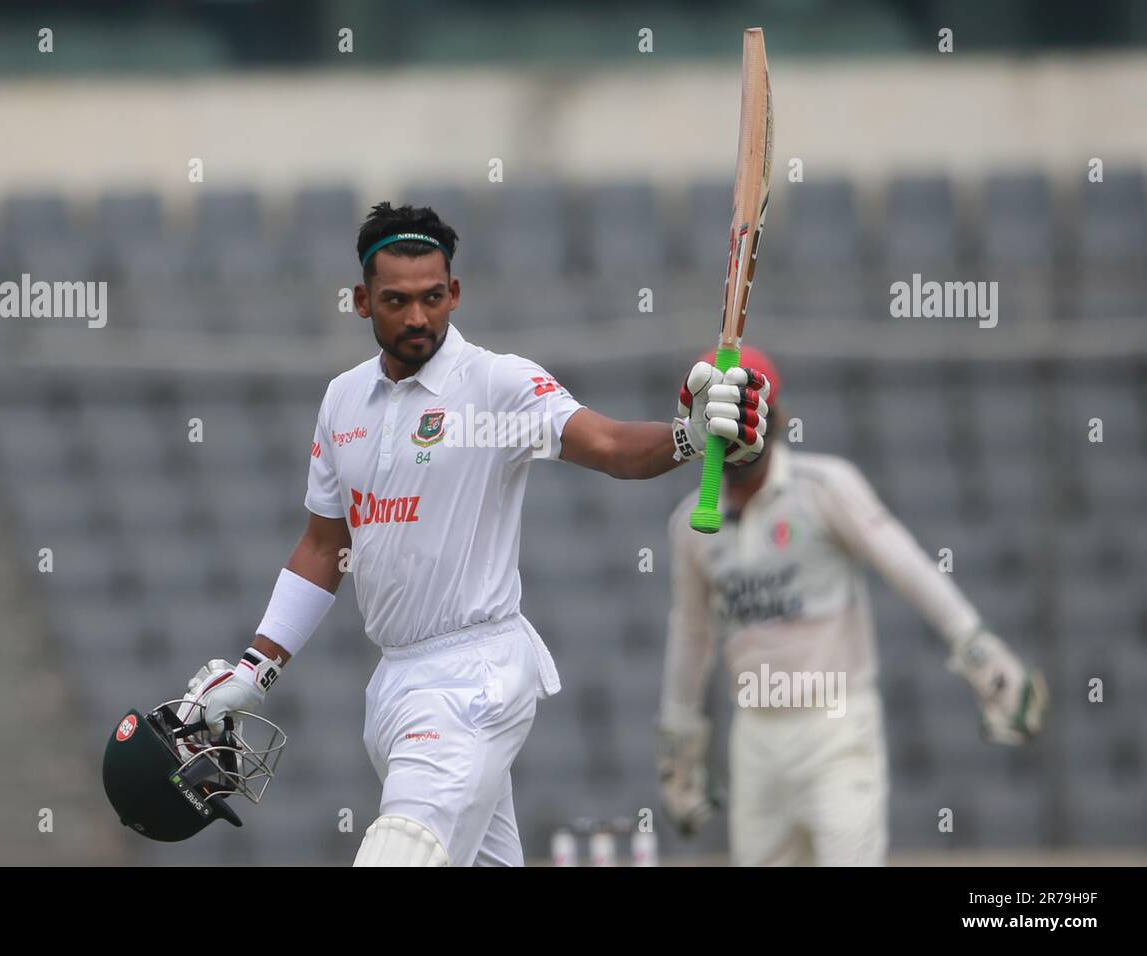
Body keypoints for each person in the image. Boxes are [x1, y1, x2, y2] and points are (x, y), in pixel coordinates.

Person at [180, 202, 775, 866]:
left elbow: (608, 445)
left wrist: (686, 435)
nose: (417, 317)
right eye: (396, 300)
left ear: (455, 293)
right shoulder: (341, 401)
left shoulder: (497, 384)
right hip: (396, 683)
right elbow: (324, 546)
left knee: (399, 854)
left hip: (474, 678)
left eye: (433, 298)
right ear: (360, 302)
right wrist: (257, 669)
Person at [655, 345, 1048, 866]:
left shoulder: (824, 487)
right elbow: (691, 634)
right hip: (755, 739)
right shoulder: (691, 526)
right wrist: (680, 741)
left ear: (775, 420)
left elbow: (906, 566)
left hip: (835, 729)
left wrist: (978, 652)